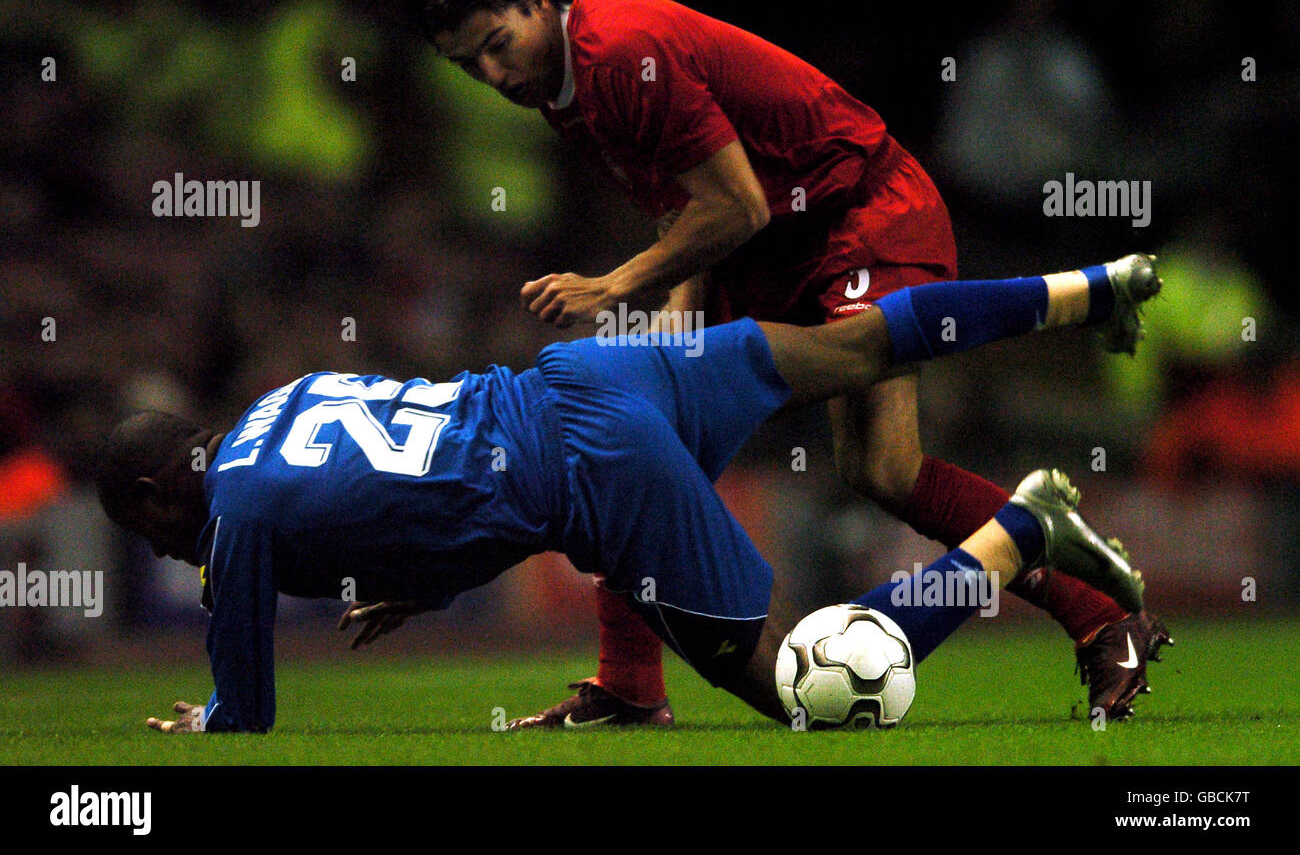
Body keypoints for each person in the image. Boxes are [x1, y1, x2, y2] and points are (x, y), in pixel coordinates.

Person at [416, 0, 1170, 725]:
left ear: (538, 0)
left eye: (498, 45)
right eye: (471, 66)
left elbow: (733, 205)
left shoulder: (618, 52)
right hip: (766, 249)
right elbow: (691, 207)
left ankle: (1097, 600)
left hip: (859, 213)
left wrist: (613, 287)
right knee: (644, 438)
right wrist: (677, 333)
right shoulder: (561, 87)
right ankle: (630, 683)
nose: (494, 75)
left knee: (882, 468)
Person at [96, 257, 1159, 733]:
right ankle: (1084, 288)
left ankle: (1019, 531)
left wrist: (216, 717)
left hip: (596, 466)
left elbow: (246, 711)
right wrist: (420, 579)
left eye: (138, 526)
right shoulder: (287, 398)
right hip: (589, 373)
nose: (152, 549)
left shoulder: (233, 513)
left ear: (155, 492)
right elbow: (430, 483)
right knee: (856, 341)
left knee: (807, 692)